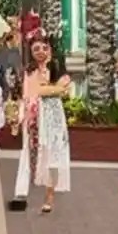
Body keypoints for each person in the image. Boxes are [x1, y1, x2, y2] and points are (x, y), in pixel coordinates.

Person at [12, 32, 71, 213]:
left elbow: (64, 90)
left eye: (44, 48)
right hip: (32, 117)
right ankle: (20, 194)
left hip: (53, 118)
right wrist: (19, 117)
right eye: (36, 48)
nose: (40, 52)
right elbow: (27, 94)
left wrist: (46, 89)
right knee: (27, 155)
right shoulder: (29, 71)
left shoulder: (56, 68)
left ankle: (50, 196)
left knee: (52, 156)